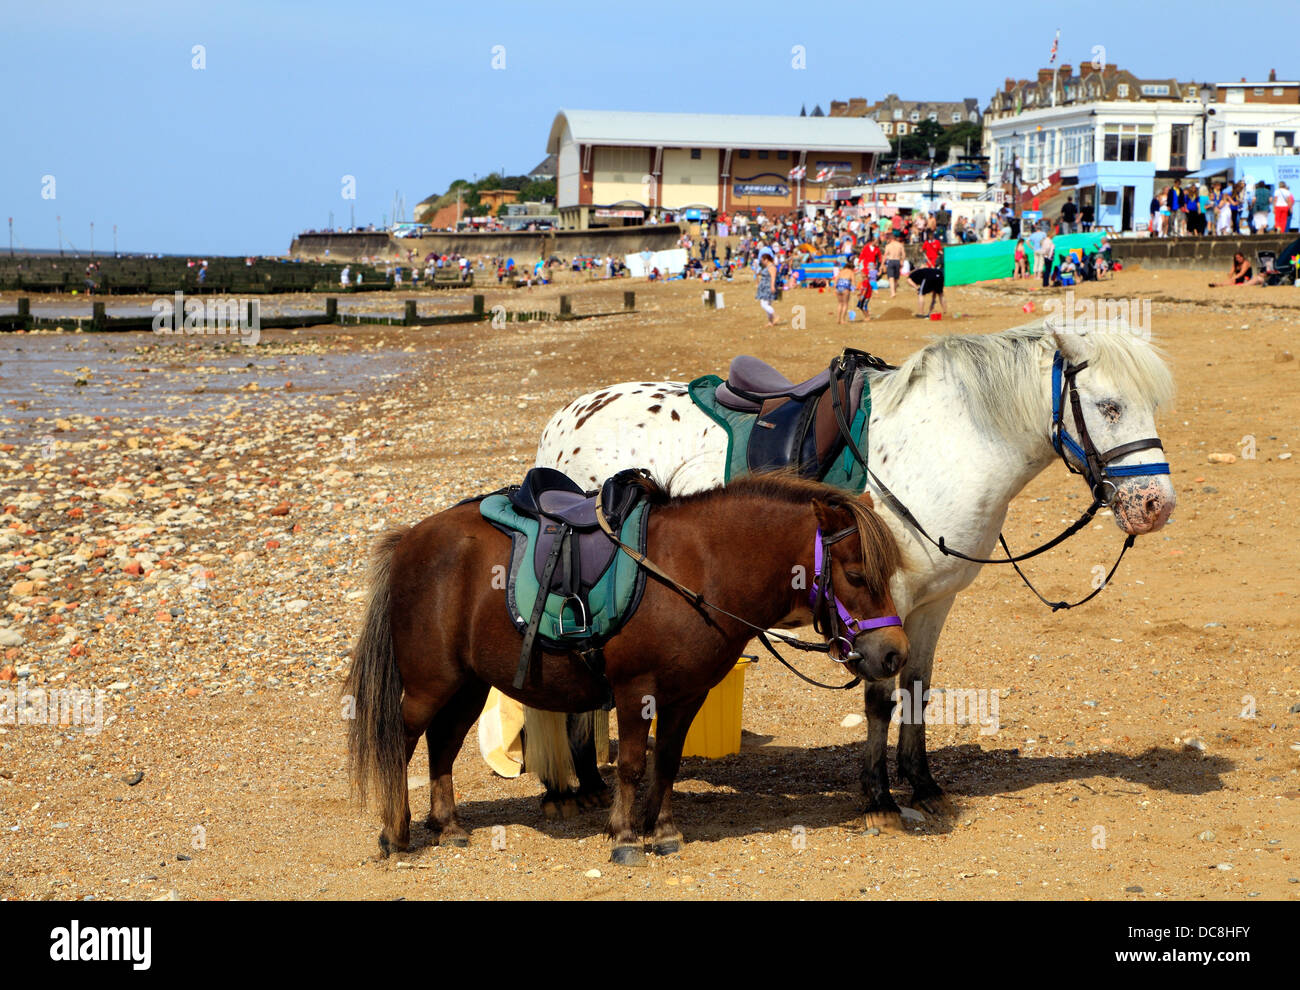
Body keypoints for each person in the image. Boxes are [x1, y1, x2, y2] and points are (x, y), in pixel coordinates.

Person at [908, 247, 945, 317]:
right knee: (940, 294)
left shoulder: (913, 274)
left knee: (921, 294)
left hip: (929, 276)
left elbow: (908, 280)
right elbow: (934, 297)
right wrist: (931, 309)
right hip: (939, 274)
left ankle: (921, 313)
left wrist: (917, 288)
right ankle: (945, 312)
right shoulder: (926, 269)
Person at [755, 248, 779, 327]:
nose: (762, 262)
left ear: (766, 259)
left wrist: (772, 286)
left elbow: (773, 277)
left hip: (768, 288)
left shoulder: (771, 267)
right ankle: (770, 322)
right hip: (764, 287)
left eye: (762, 260)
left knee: (764, 304)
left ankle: (775, 315)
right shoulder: (767, 267)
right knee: (767, 304)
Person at [883, 233, 906, 298]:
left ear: (890, 239)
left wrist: (882, 264)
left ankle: (893, 293)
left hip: (891, 260)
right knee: (896, 278)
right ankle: (894, 291)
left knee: (891, 278)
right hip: (897, 261)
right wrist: (902, 261)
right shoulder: (900, 245)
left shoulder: (888, 245)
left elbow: (885, 255)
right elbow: (904, 254)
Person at [834, 256, 854, 325]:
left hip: (838, 287)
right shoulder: (851, 272)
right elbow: (853, 282)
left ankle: (838, 319)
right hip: (845, 288)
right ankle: (842, 320)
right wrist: (853, 289)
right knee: (845, 304)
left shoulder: (841, 271)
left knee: (840, 303)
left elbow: (836, 280)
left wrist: (835, 288)